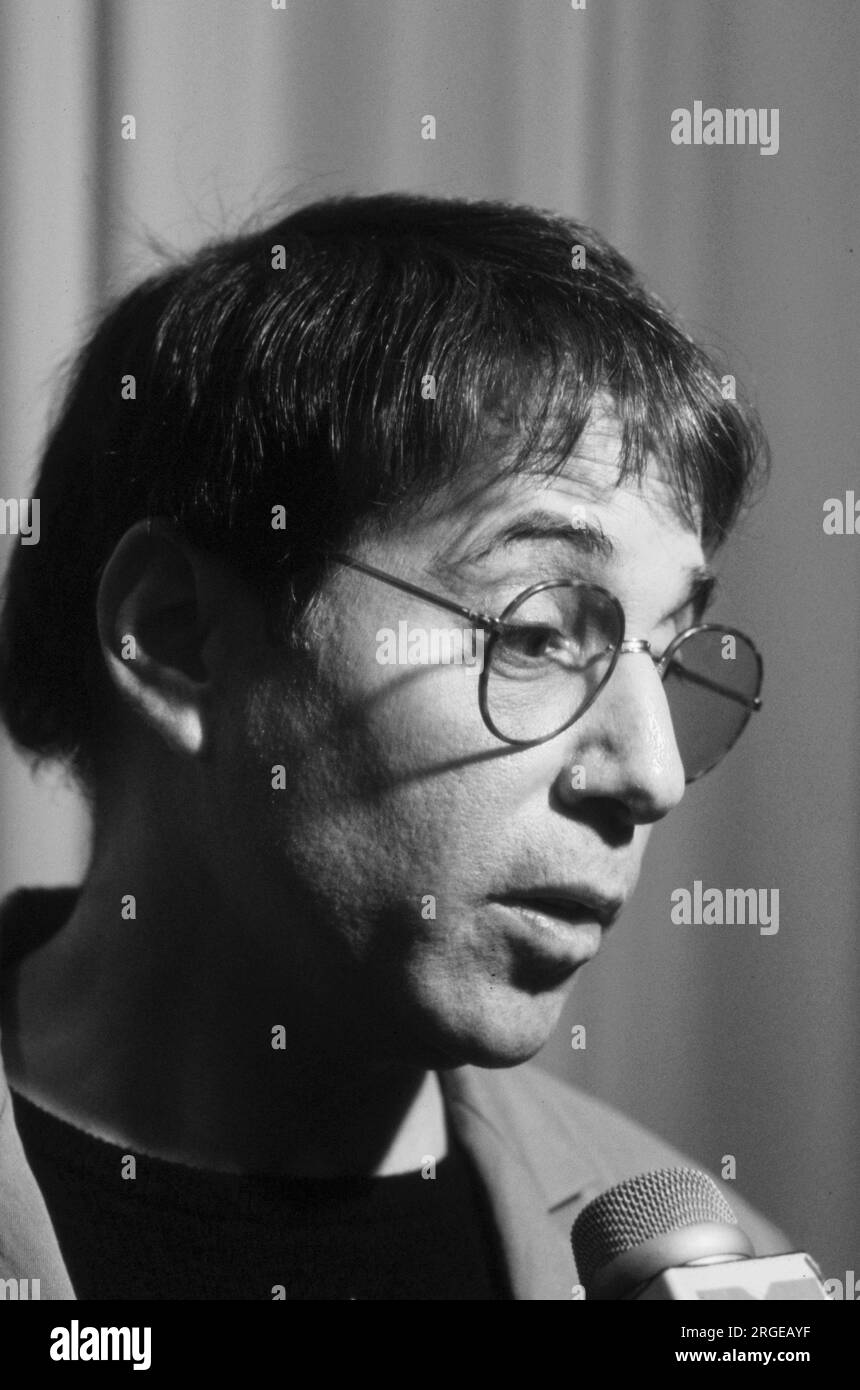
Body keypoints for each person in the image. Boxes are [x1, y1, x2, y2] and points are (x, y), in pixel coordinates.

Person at [0, 192, 784, 1300]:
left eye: (672, 656)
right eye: (538, 631)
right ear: (176, 639)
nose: (649, 776)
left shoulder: (696, 1268)